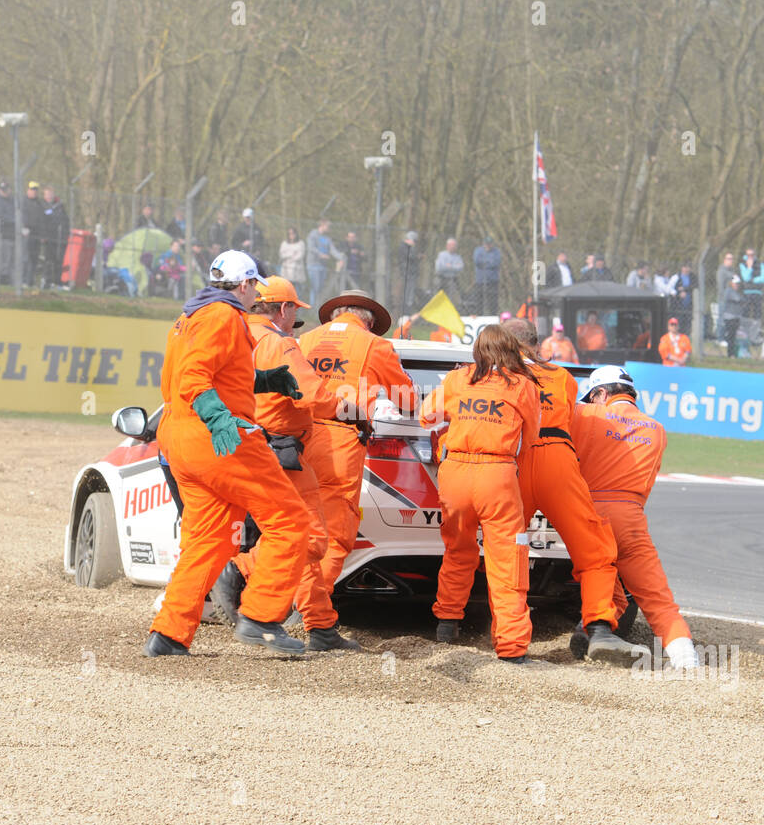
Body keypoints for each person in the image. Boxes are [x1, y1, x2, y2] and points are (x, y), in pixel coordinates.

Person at [143, 250, 310, 658]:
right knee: (290, 520)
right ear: (244, 285)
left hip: (180, 438)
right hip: (219, 439)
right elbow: (195, 378)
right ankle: (261, 617)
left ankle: (168, 635)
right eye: (255, 284)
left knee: (207, 540)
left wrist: (266, 380)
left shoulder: (190, 317)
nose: (256, 292)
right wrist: (221, 420)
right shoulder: (223, 316)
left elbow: (218, 373)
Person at [206, 275, 363, 651]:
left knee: (292, 533)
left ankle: (321, 625)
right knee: (307, 537)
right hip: (279, 449)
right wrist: (351, 409)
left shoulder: (235, 335)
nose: (295, 317)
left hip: (237, 443)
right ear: (282, 308)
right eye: (294, 308)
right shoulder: (278, 343)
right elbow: (313, 394)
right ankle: (250, 593)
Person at [419, 324, 541, 662]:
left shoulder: (458, 380)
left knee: (458, 550)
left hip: (455, 473)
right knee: (506, 560)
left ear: (477, 350)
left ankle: (446, 622)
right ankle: (512, 646)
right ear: (513, 350)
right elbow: (531, 437)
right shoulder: (523, 385)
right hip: (497, 474)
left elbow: (424, 417)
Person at [297, 291, 418, 627]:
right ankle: (312, 614)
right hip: (339, 442)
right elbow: (407, 401)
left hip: (296, 440)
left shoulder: (304, 340)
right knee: (335, 534)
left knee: (296, 527)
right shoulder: (374, 346)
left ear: (336, 315)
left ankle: (244, 569)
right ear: (369, 320)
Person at [502, 319, 622, 656]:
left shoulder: (492, 375)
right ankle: (598, 627)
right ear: (537, 346)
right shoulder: (562, 377)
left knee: (507, 548)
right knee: (593, 547)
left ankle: (507, 634)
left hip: (514, 461)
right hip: (558, 458)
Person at [569, 366, 699, 669]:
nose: (589, 403)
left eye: (592, 397)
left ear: (601, 393)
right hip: (631, 516)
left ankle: (591, 632)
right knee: (656, 595)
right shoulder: (656, 428)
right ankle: (686, 658)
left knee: (600, 577)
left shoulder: (585, 416)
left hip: (589, 513)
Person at [40, 186, 70, 288]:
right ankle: (46, 281)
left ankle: (57, 281)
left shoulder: (60, 206)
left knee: (59, 261)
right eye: (47, 194)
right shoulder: (41, 205)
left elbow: (65, 221)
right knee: (48, 260)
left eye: (51, 194)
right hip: (48, 239)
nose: (49, 196)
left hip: (60, 239)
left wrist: (66, 235)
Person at [0, 180, 16, 283]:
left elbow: (19, 214)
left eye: (6, 190)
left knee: (12, 261)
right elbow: (1, 216)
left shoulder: (13, 201)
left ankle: (10, 281)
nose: (5, 192)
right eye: (2, 190)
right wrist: (14, 220)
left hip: (14, 235)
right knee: (2, 259)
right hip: (3, 234)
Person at [21, 181, 45, 286]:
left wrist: (42, 235)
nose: (34, 192)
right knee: (26, 258)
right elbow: (20, 217)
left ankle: (30, 281)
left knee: (34, 259)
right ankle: (23, 280)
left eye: (36, 190)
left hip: (36, 235)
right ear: (28, 190)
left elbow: (42, 220)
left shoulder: (39, 204)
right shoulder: (23, 202)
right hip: (26, 233)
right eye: (32, 190)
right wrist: (22, 228)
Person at [305, 218, 335, 299]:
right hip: (313, 265)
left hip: (323, 266)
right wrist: (320, 255)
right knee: (315, 287)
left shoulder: (328, 238)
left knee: (320, 288)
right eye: (328, 226)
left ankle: (318, 306)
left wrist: (341, 256)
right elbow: (311, 248)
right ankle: (314, 308)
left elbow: (332, 250)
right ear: (322, 225)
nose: (330, 228)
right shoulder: (313, 234)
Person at [472, 237, 501, 314]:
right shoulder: (478, 250)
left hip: (492, 281)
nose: (488, 246)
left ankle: (493, 316)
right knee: (479, 300)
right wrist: (489, 262)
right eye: (486, 244)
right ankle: (479, 316)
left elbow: (496, 263)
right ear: (483, 243)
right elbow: (477, 262)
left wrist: (485, 263)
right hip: (480, 280)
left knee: (493, 302)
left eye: (489, 244)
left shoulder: (496, 252)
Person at [720, 276, 744, 357]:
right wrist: (741, 299)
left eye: (738, 284)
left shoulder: (737, 291)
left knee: (733, 337)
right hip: (730, 317)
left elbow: (742, 299)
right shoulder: (729, 291)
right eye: (735, 283)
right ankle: (730, 354)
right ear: (731, 283)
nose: (737, 285)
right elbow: (738, 299)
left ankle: (732, 353)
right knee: (731, 336)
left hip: (736, 317)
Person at [277, 226, 306, 294]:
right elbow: (282, 255)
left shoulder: (301, 243)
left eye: (293, 233)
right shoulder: (284, 243)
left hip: (297, 271)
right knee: (287, 292)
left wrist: (288, 256)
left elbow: (300, 256)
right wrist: (292, 254)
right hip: (286, 271)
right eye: (289, 233)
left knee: (297, 292)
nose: (291, 235)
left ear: (296, 234)